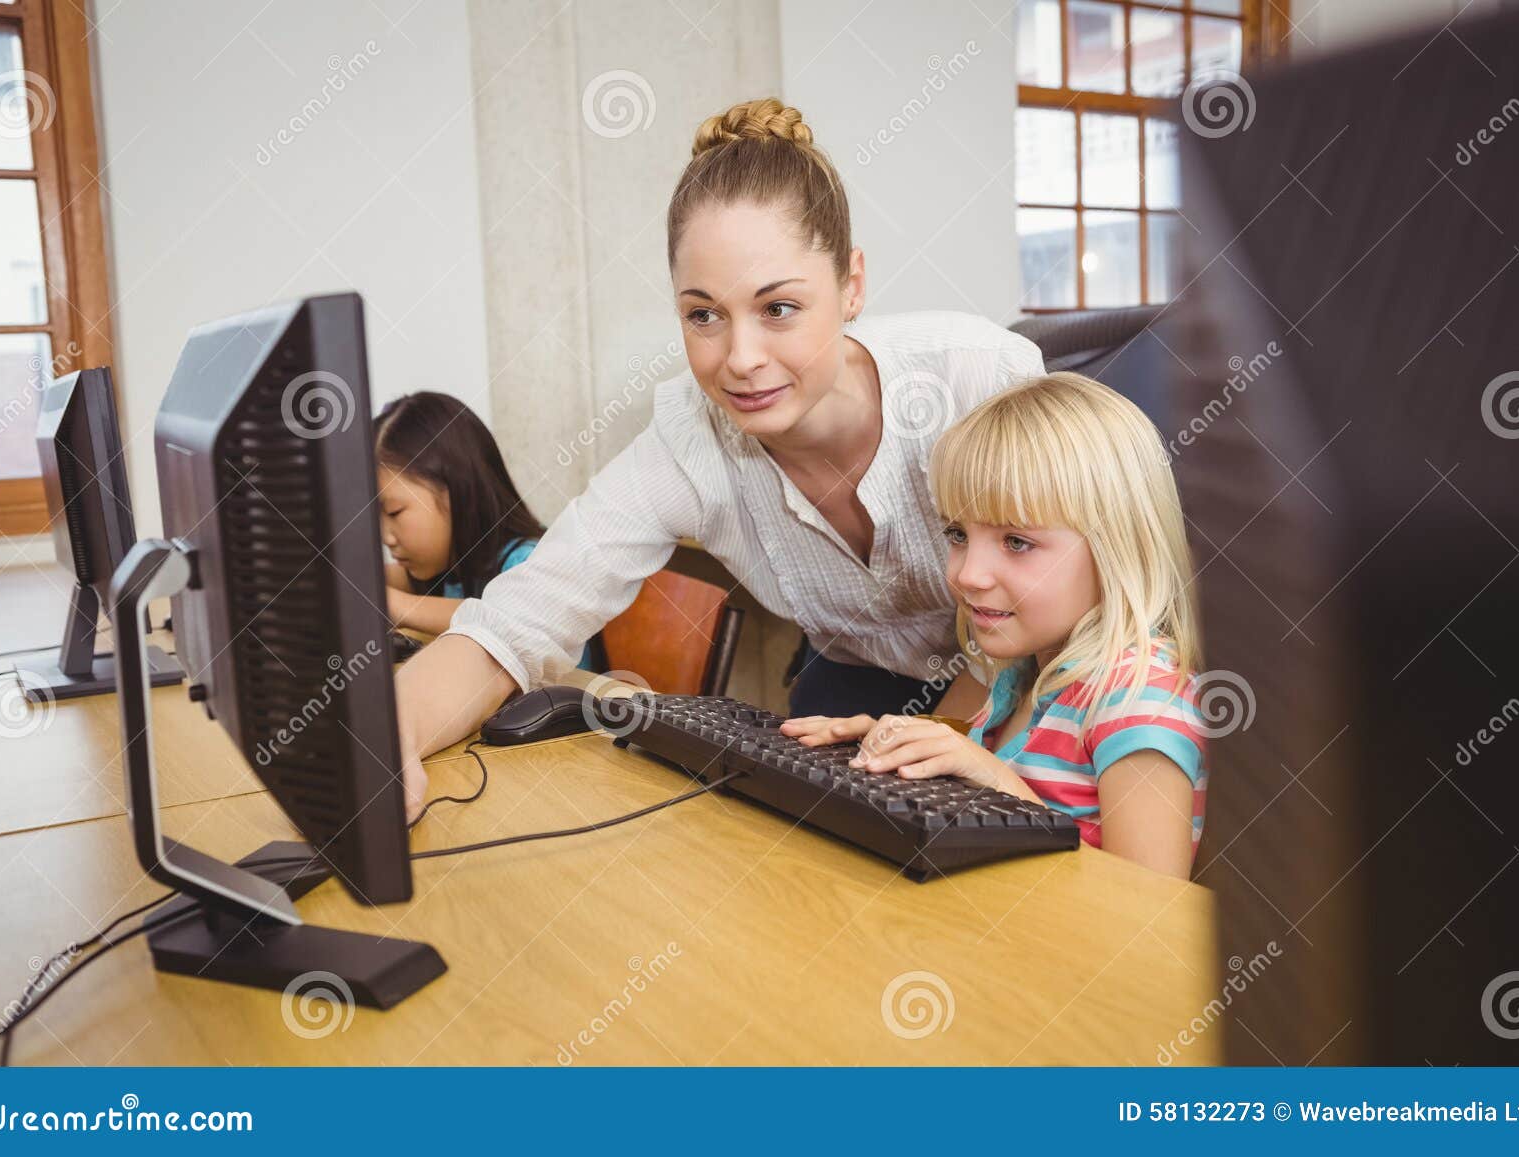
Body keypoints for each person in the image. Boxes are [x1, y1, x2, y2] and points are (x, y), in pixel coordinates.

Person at [393, 97, 1045, 821]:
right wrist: (388, 741)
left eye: (779, 309)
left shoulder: (975, 378)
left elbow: (1095, 592)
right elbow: (522, 615)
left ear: (852, 283)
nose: (740, 360)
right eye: (703, 315)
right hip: (853, 694)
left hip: (1026, 690)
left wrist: (953, 730)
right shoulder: (692, 439)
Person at [782, 373, 1208, 878]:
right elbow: (972, 800)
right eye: (958, 534)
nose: (966, 574)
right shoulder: (1015, 673)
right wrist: (894, 748)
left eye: (1016, 542)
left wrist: (993, 779)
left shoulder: (1140, 701)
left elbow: (1149, 915)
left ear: (1118, 548)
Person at [375, 391, 592, 673]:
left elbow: (504, 622)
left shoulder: (528, 561)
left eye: (394, 512)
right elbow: (363, 581)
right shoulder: (445, 566)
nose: (386, 536)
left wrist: (401, 607)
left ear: (458, 491)